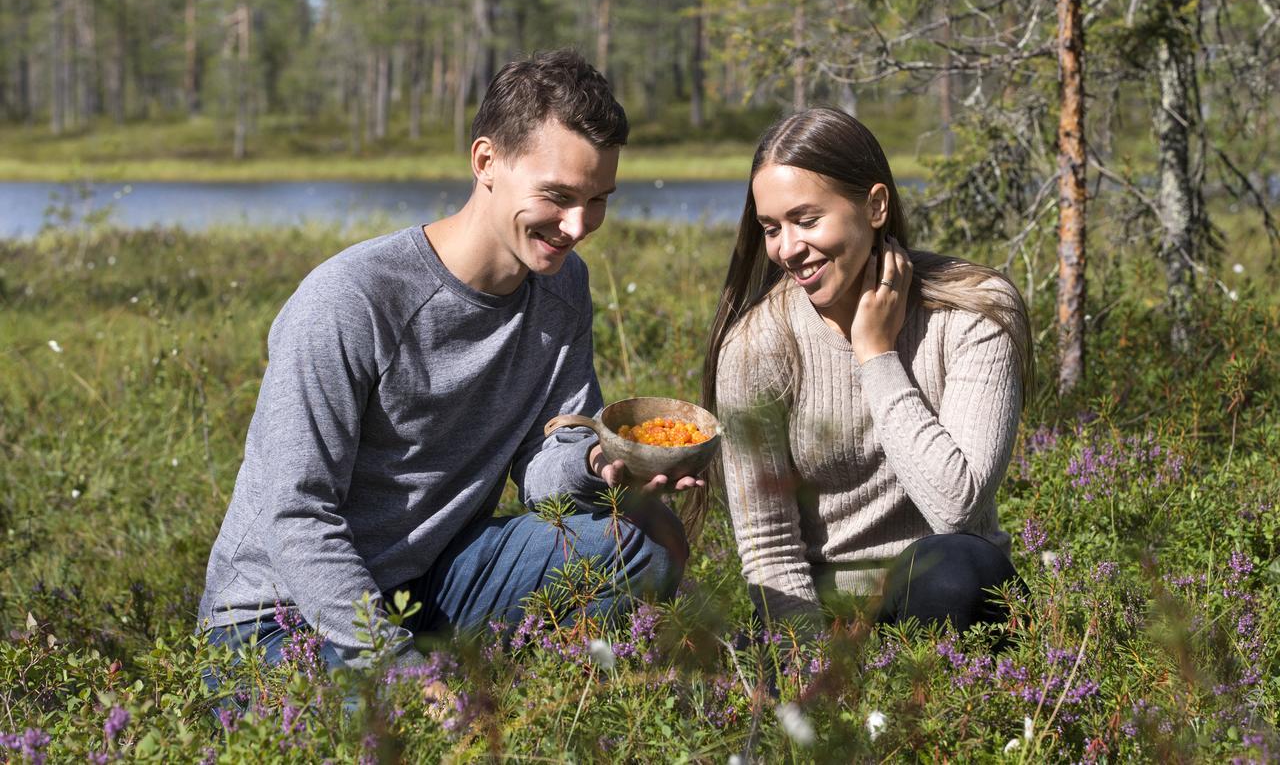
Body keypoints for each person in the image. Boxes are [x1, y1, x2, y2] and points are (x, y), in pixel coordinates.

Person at [197, 49, 695, 672]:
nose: (577, 225)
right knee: (401, 725)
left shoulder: (563, 288)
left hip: (431, 580)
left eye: (598, 199)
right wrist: (399, 668)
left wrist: (600, 463)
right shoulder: (352, 299)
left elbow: (545, 465)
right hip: (279, 618)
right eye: (558, 196)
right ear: (486, 161)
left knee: (648, 540)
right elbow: (295, 513)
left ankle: (504, 681)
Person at [700, 107, 1032, 633]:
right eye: (771, 228)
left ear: (874, 206)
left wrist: (877, 357)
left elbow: (957, 509)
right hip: (831, 622)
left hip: (949, 595)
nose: (787, 250)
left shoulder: (975, 312)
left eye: (807, 221)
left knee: (956, 572)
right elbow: (769, 546)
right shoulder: (756, 346)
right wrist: (807, 668)